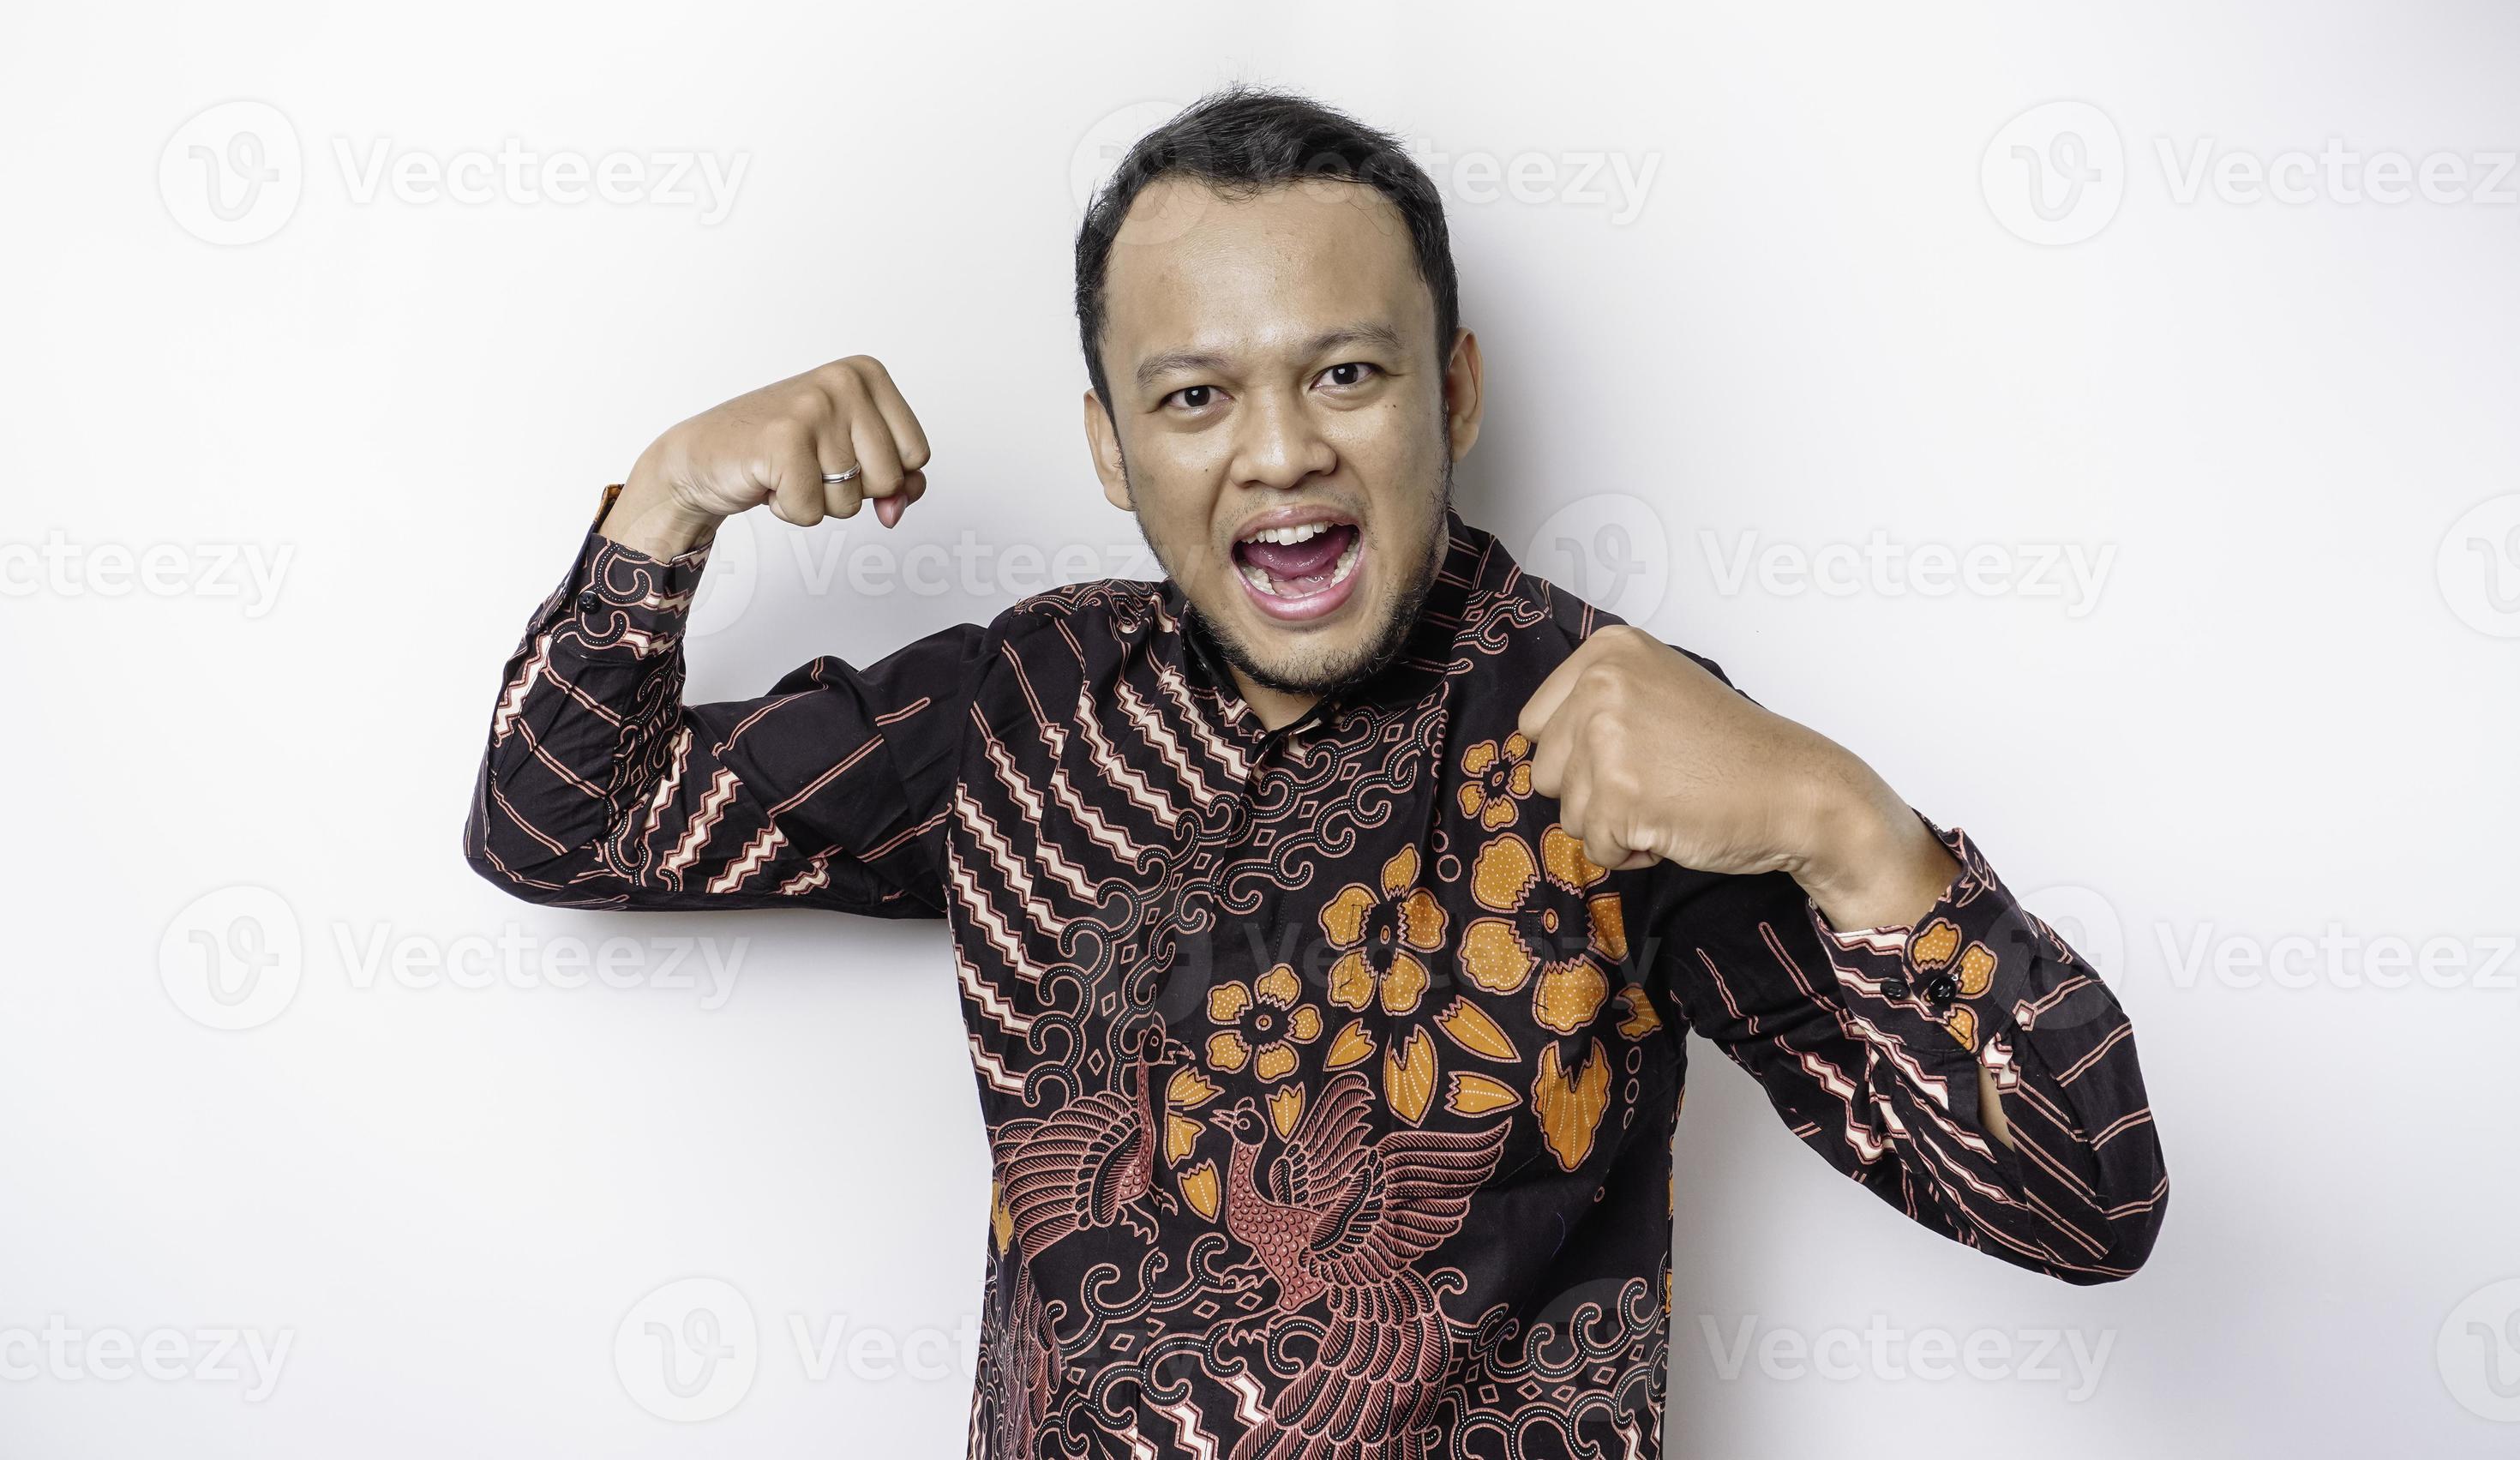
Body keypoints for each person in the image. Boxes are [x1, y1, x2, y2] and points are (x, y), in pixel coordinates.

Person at [465, 89, 2164, 1459]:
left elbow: (2084, 1202)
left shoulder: (1618, 738)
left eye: (1345, 372)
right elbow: (560, 821)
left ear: (1455, 390)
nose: (1280, 448)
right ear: (1113, 451)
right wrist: (668, 497)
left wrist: (1843, 823)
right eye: (1196, 394)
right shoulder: (1022, 707)